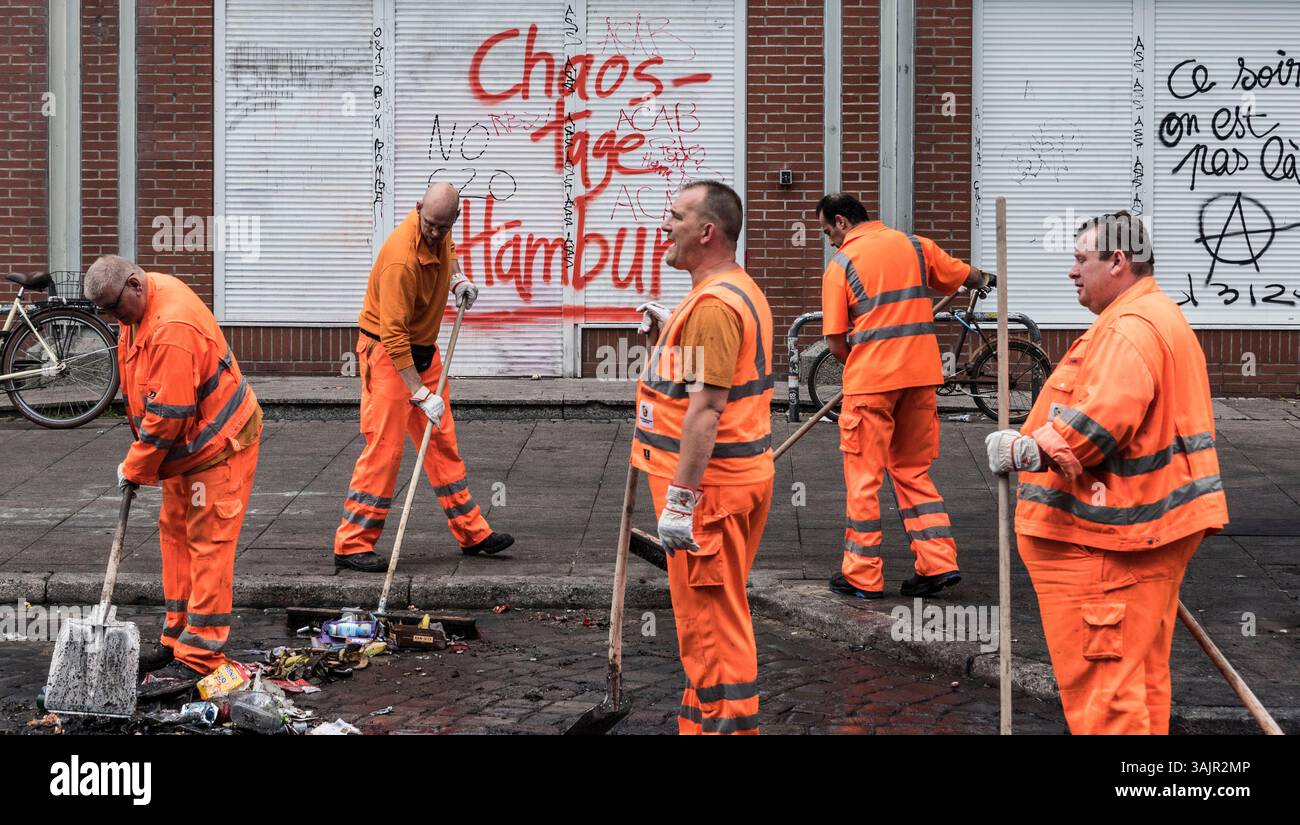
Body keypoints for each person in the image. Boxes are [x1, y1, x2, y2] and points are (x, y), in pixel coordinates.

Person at [985, 211, 1228, 734]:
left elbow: (1097, 427)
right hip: (1141, 538)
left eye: (1080, 259)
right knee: (1137, 683)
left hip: (1104, 546)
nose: (1072, 272)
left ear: (1118, 261)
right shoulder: (1155, 316)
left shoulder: (1128, 330)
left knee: (1106, 702)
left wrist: (1026, 451)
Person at [633, 180, 774, 734]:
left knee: (713, 629)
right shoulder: (729, 292)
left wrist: (680, 504)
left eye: (675, 217)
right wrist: (670, 334)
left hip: (709, 497)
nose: (665, 226)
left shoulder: (715, 306)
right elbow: (713, 378)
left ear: (706, 231)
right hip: (728, 485)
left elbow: (708, 410)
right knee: (705, 627)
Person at [85, 255, 262, 693]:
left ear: (134, 284)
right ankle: (176, 639)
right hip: (185, 453)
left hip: (218, 447)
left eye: (113, 309)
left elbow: (169, 414)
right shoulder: (140, 308)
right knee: (175, 536)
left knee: (207, 544)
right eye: (105, 312)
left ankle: (200, 656)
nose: (112, 320)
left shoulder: (172, 329)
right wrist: (142, 461)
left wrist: (136, 465)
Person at [817, 193, 991, 599]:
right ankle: (938, 564)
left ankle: (862, 575)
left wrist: (859, 363)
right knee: (912, 471)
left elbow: (835, 341)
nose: (829, 240)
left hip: (872, 384)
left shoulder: (841, 264)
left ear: (841, 222)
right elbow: (966, 275)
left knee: (864, 479)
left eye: (828, 231)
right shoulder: (915, 245)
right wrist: (985, 279)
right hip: (920, 377)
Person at [333, 181, 512, 571]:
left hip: (424, 353)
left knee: (442, 441)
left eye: (443, 226)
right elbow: (393, 336)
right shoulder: (401, 260)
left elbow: (447, 250)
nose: (435, 232)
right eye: (429, 224)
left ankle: (472, 531)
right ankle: (352, 543)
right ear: (418, 210)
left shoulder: (442, 234)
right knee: (385, 450)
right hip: (386, 356)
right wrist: (419, 392)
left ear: (454, 220)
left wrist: (458, 279)